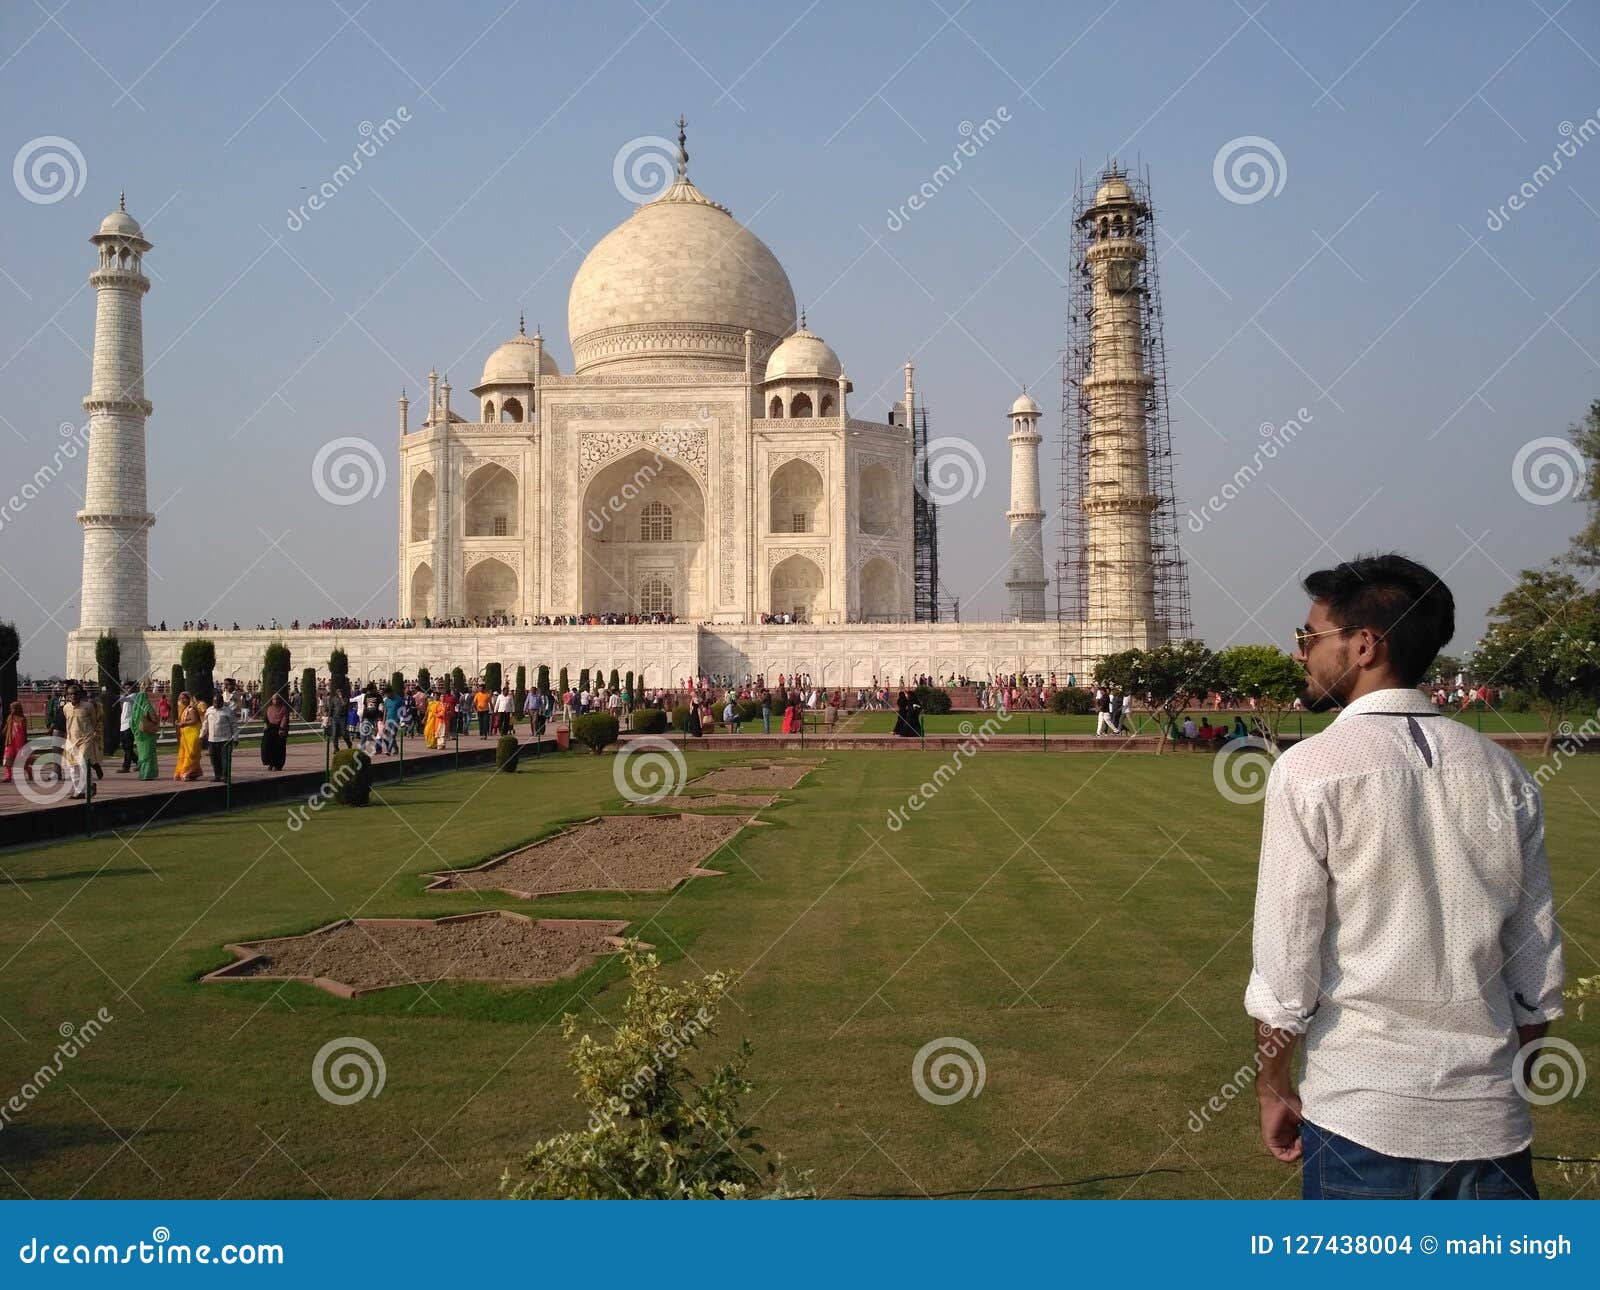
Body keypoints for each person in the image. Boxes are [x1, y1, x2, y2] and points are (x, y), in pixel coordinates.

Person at [1248, 554, 1564, 1200]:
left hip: (1363, 1122)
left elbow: (1286, 968)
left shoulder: (1309, 770)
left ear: (1364, 645)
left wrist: (1273, 1086)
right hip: (1493, 1131)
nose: (1302, 653)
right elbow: (1535, 971)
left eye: (1310, 637)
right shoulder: (1504, 774)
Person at [129, 682, 159, 780]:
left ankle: (143, 773)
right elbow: (154, 719)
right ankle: (148, 773)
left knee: (142, 754)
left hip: (139, 735)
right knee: (148, 753)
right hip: (148, 734)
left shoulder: (135, 708)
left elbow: (131, 722)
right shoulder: (147, 707)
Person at [202, 695, 236, 782]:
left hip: (225, 739)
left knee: (225, 759)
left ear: (222, 702)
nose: (216, 704)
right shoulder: (209, 710)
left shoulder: (228, 711)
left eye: (218, 702)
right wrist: (201, 735)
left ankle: (225, 776)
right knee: (214, 759)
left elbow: (234, 725)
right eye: (214, 702)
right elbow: (205, 723)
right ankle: (217, 775)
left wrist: (235, 738)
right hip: (212, 739)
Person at [174, 691, 203, 781]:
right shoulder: (184, 709)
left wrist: (183, 723)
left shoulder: (191, 709)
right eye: (181, 698)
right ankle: (193, 772)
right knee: (185, 753)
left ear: (189, 699)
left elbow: (194, 720)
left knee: (191, 754)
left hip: (192, 734)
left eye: (184, 698)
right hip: (185, 735)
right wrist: (179, 723)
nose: (182, 700)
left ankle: (187, 771)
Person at [260, 691, 290, 771]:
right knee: (267, 747)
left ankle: (277, 765)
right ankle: (270, 763)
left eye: (277, 699)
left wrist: (281, 729)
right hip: (270, 729)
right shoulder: (269, 708)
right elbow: (266, 719)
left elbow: (284, 720)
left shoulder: (283, 709)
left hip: (279, 730)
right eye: (273, 699)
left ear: (280, 700)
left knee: (278, 748)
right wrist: (265, 725)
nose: (275, 701)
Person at [3, 700, 28, 783]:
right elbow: (6, 728)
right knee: (7, 758)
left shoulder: (23, 719)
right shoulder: (10, 718)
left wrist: (24, 743)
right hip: (10, 741)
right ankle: (8, 776)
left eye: (13, 708)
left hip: (19, 742)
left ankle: (28, 770)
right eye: (11, 708)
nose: (11, 710)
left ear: (17, 709)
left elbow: (24, 732)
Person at [116, 680, 137, 772]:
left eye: (128, 688)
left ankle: (126, 767)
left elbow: (122, 699)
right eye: (125, 688)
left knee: (128, 747)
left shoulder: (134, 696)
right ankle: (139, 762)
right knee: (125, 747)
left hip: (129, 724)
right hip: (123, 725)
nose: (127, 689)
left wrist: (119, 695)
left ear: (133, 688)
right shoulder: (127, 696)